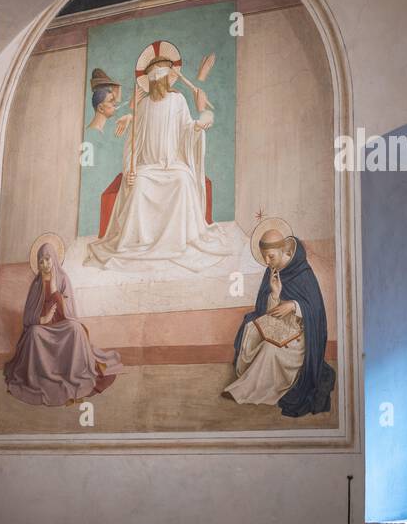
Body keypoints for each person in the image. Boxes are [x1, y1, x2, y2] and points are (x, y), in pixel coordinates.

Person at [85, 41, 234, 272]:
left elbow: (186, 128)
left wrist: (197, 126)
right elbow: (134, 142)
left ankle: (179, 241)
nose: (158, 82)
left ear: (167, 78)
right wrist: (131, 169)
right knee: (139, 186)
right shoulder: (143, 105)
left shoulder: (178, 100)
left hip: (173, 164)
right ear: (149, 81)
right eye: (153, 79)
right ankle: (139, 241)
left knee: (183, 181)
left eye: (161, 77)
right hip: (149, 166)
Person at [222, 219, 335, 417]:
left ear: (285, 251)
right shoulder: (272, 271)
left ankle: (247, 391)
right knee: (250, 328)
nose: (267, 262)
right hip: (278, 326)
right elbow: (265, 309)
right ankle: (249, 379)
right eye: (265, 257)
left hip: (300, 335)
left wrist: (294, 306)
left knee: (269, 349)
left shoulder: (303, 273)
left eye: (271, 256)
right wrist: (275, 294)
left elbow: (316, 313)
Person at [4, 236, 122, 406]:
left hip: (62, 325)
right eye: (41, 260)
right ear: (37, 263)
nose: (44, 264)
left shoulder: (63, 279)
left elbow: (70, 312)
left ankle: (72, 371)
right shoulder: (36, 285)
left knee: (76, 329)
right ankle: (43, 375)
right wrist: (41, 318)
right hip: (43, 328)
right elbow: (28, 317)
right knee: (33, 333)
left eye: (47, 259)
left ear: (54, 259)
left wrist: (54, 290)